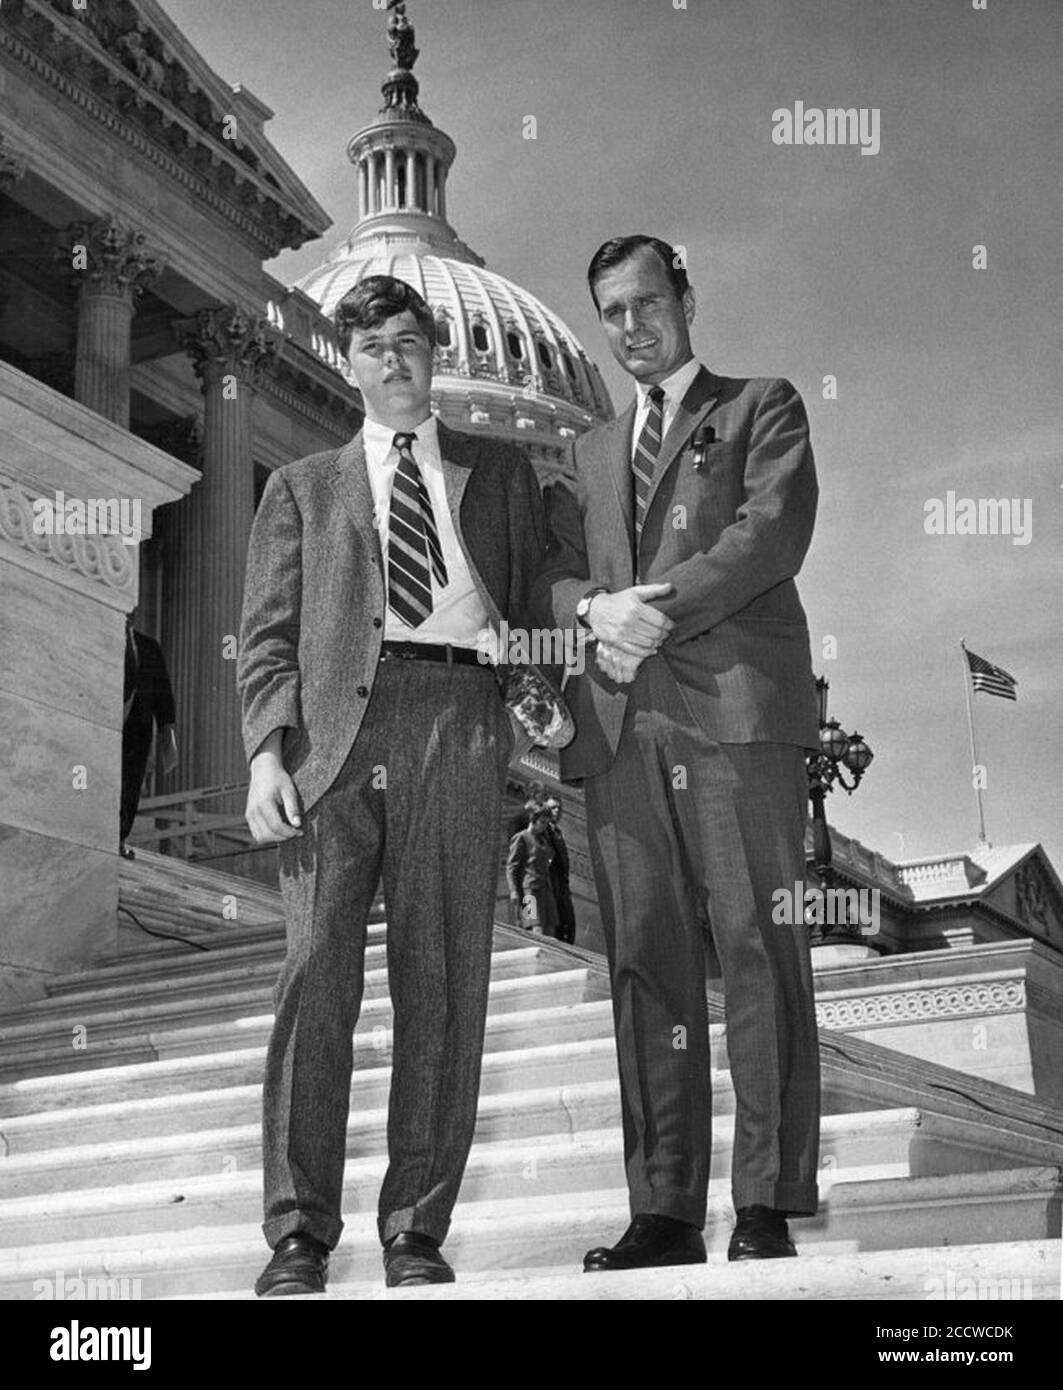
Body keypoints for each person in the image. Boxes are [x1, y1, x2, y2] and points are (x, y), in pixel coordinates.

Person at [237, 274, 545, 1294]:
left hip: (456, 722)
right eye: (374, 349)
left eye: (410, 343)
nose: (394, 361)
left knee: (443, 979)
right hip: (334, 736)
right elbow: (268, 636)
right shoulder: (302, 487)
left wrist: (542, 683)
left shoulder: (498, 476)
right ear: (352, 364)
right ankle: (296, 1234)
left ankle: (415, 1225)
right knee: (315, 975)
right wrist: (263, 752)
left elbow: (538, 595)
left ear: (432, 352)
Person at [532, 235, 821, 1270]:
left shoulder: (761, 405)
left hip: (734, 711)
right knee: (643, 966)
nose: (631, 326)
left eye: (648, 302)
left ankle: (765, 1198)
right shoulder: (586, 452)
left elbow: (771, 533)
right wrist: (590, 609)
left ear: (686, 299)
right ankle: (662, 1207)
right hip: (616, 729)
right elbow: (555, 580)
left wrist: (649, 609)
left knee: (755, 948)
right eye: (610, 311)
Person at [120, 614, 177, 858]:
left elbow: (163, 692)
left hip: (137, 733)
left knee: (131, 787)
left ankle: (119, 839)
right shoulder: (101, 639)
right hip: (104, 727)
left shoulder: (149, 646)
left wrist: (167, 732)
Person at [506, 804, 560, 935]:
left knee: (550, 929)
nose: (543, 826)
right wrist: (513, 890)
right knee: (534, 928)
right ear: (533, 819)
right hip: (529, 892)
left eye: (546, 823)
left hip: (545, 890)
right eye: (542, 822)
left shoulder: (543, 841)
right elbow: (511, 867)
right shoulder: (521, 838)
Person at [543, 797, 576, 945]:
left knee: (567, 923)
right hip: (539, 886)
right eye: (553, 808)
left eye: (558, 808)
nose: (556, 811)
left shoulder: (558, 833)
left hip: (559, 884)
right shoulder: (530, 836)